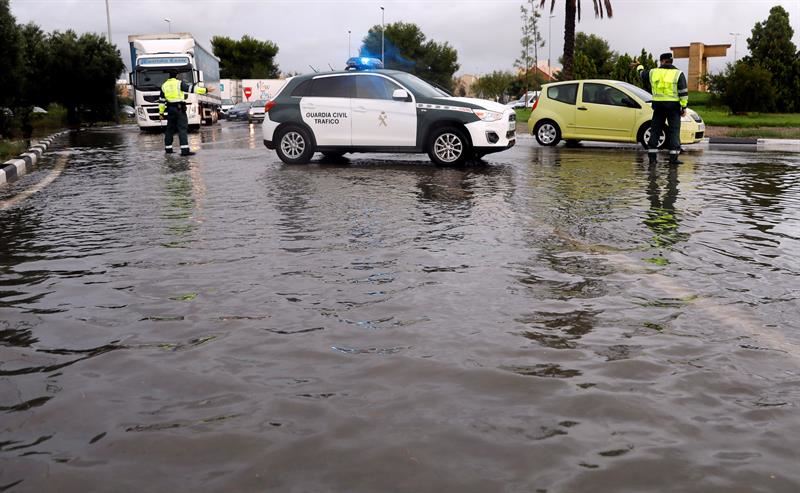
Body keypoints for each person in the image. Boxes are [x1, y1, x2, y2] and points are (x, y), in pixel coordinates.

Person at [635, 53, 688, 165]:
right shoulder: (678, 74)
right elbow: (683, 92)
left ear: (662, 61)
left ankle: (652, 158)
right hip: (673, 107)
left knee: (655, 130)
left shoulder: (653, 72)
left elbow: (641, 74)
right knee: (674, 131)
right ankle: (673, 158)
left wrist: (639, 66)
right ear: (671, 61)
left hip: (658, 106)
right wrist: (684, 107)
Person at [158, 70, 209, 156]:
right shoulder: (179, 83)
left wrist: (161, 113)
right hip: (179, 109)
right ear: (177, 75)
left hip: (170, 109)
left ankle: (168, 149)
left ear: (169, 76)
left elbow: (161, 101)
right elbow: (192, 89)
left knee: (169, 129)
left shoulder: (164, 85)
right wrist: (206, 90)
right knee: (182, 129)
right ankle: (184, 150)